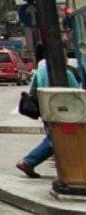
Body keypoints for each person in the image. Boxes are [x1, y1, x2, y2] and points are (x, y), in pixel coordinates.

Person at [16, 43, 81, 178]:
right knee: (55, 140)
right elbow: (78, 94)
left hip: (46, 111)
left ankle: (66, 168)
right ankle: (28, 161)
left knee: (55, 138)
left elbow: (33, 90)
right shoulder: (67, 73)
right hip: (66, 112)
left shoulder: (39, 71)